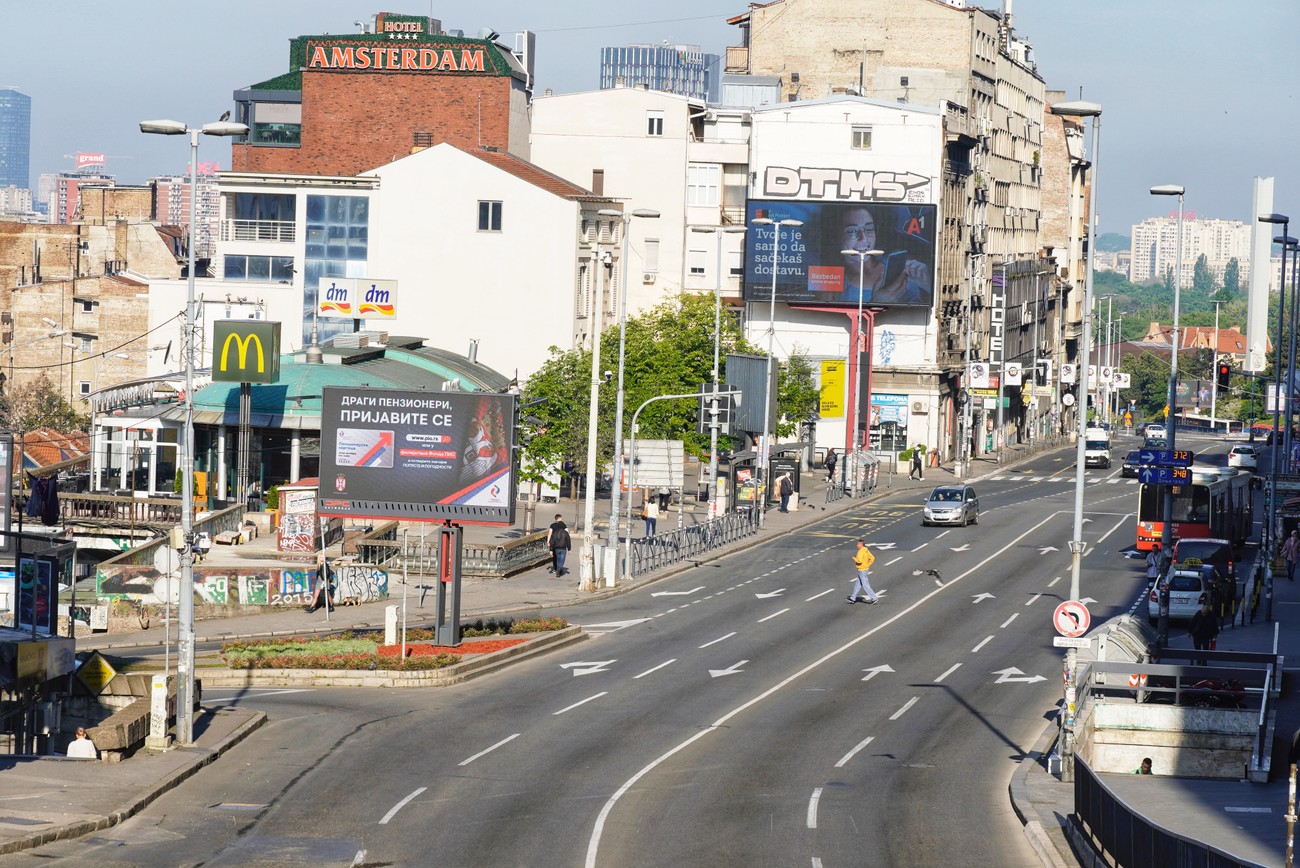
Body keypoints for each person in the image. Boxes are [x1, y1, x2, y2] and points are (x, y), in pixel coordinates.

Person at [837, 204, 931, 305]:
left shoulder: (899, 263)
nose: (863, 238)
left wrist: (928, 285)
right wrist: (876, 303)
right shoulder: (835, 285)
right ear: (838, 236)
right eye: (852, 231)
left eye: (869, 229)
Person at [847, 539, 879, 604]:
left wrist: (854, 558)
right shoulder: (866, 550)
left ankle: (874, 598)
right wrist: (868, 564)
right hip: (865, 569)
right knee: (857, 585)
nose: (857, 545)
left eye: (858, 544)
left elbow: (859, 561)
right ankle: (853, 598)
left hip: (862, 570)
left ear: (861, 544)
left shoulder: (860, 551)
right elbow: (872, 558)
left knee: (865, 585)